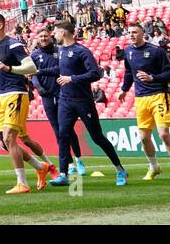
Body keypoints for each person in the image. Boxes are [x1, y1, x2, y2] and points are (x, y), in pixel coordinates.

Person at [0, 13, 56, 194]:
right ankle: (40, 167)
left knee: (10, 137)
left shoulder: (13, 44)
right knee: (5, 142)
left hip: (15, 94)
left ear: (0, 25)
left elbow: (31, 67)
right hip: (1, 96)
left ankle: (22, 183)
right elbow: (2, 73)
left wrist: (9, 68)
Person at [46, 21, 127, 187]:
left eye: (56, 32)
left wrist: (72, 79)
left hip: (83, 101)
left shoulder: (81, 51)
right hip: (65, 100)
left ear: (64, 32)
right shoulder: (60, 51)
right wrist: (39, 71)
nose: (54, 35)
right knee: (63, 136)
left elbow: (95, 74)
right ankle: (63, 174)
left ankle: (120, 169)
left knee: (97, 137)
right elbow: (60, 71)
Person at [117, 22, 170, 182]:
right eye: (129, 32)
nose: (131, 35)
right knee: (143, 137)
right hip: (140, 98)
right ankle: (154, 167)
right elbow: (128, 71)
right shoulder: (128, 51)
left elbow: (169, 74)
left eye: (135, 32)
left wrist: (152, 77)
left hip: (159, 95)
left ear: (142, 34)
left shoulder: (156, 51)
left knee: (163, 134)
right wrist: (124, 89)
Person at [31, 28, 85, 175]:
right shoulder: (34, 55)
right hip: (47, 96)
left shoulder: (59, 51)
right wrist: (39, 87)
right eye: (41, 36)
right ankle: (69, 163)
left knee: (67, 129)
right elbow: (33, 74)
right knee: (58, 131)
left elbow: (62, 69)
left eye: (46, 36)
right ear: (37, 38)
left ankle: (79, 159)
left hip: (62, 94)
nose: (43, 38)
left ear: (50, 37)